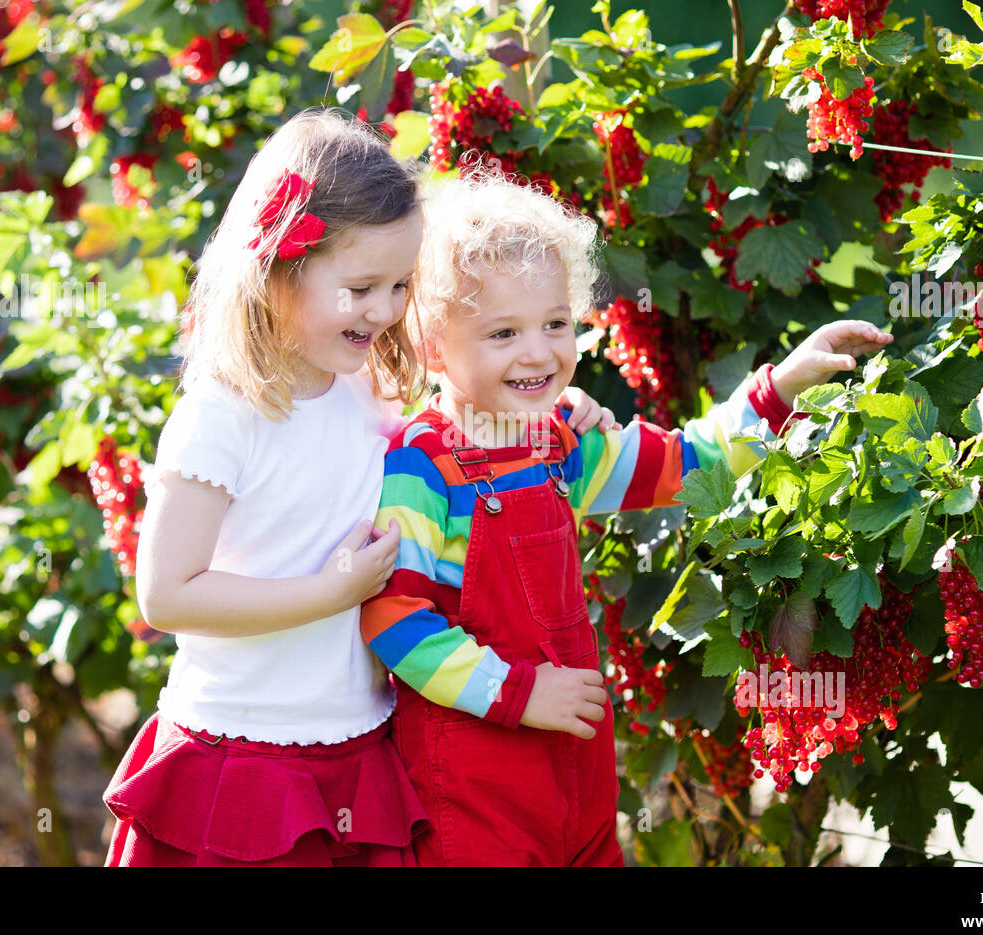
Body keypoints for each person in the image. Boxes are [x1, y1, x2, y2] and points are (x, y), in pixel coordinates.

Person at [100, 110, 613, 867]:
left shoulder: (365, 387)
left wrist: (559, 414)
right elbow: (166, 596)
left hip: (358, 747)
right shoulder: (222, 416)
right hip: (244, 755)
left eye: (400, 285)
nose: (384, 310)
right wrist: (330, 592)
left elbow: (463, 421)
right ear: (278, 265)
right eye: (361, 286)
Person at [359, 171, 893, 866]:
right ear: (433, 347)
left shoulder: (558, 444)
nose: (539, 352)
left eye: (556, 323)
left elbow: (681, 465)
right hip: (475, 778)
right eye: (502, 332)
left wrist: (778, 387)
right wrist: (519, 694)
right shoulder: (425, 466)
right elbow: (395, 620)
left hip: (575, 760)